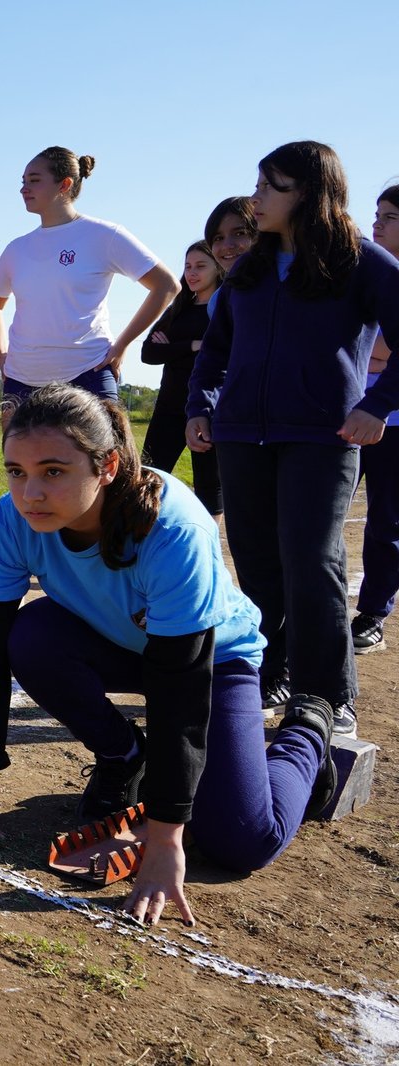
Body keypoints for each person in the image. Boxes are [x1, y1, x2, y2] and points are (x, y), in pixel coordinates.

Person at [0, 384, 338, 928]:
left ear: (107, 466)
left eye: (54, 471)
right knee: (29, 637)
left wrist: (168, 831)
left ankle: (307, 732)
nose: (29, 493)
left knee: (242, 840)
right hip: (121, 644)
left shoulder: (172, 529)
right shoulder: (9, 521)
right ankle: (124, 756)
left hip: (213, 661)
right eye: (16, 471)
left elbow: (180, 687)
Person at [187, 141, 399, 735]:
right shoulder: (249, 269)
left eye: (269, 186)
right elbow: (216, 353)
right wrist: (200, 408)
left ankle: (328, 695)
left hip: (321, 438)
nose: (255, 198)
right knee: (257, 568)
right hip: (240, 438)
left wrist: (378, 405)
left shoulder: (362, 261)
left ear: (306, 192)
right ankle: (272, 668)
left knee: (311, 563)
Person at [0, 147, 178, 406]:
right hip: (23, 381)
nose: (24, 189)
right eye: (23, 181)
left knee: (110, 448)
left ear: (65, 184)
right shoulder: (16, 249)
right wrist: (2, 355)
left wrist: (121, 345)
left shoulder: (104, 235)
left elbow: (166, 286)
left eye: (34, 180)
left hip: (88, 374)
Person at [349, 183, 399, 655]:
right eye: (377, 214)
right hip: (346, 413)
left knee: (387, 520)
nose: (377, 223)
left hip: (393, 421)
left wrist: (375, 354)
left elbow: (381, 350)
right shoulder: (366, 274)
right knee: (320, 515)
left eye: (390, 216)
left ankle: (372, 615)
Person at [139, 242, 223, 516]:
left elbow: (223, 354)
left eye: (200, 266)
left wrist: (173, 348)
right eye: (188, 266)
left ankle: (209, 551)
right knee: (147, 478)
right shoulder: (179, 308)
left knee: (209, 487)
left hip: (209, 408)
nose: (192, 273)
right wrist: (191, 346)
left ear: (218, 267)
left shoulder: (225, 308)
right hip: (169, 407)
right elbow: (149, 353)